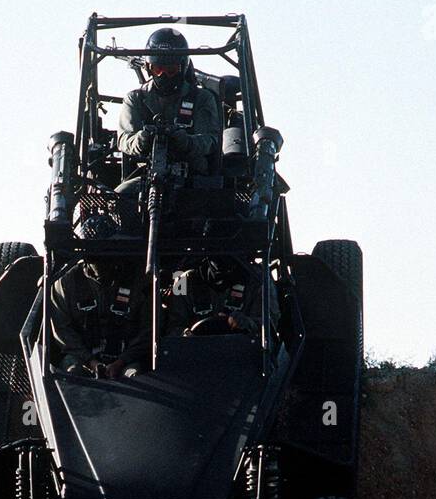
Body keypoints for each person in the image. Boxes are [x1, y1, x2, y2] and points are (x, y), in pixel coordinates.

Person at [116, 28, 221, 198]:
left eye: (170, 70)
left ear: (183, 68)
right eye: (158, 69)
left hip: (192, 180)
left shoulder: (201, 98)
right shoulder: (135, 99)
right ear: (149, 68)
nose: (163, 75)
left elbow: (210, 140)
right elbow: (124, 139)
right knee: (118, 198)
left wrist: (185, 142)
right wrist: (142, 139)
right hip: (144, 178)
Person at [49, 217, 151, 377]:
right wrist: (91, 362)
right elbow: (63, 332)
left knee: (135, 375)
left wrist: (121, 362)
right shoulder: (65, 283)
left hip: (126, 360)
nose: (102, 261)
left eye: (106, 253)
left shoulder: (137, 282)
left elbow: (148, 330)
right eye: (95, 255)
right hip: (81, 359)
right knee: (72, 373)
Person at [166, 255, 279, 339]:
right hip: (193, 359)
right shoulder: (182, 280)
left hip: (245, 356)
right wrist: (186, 335)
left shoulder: (258, 279)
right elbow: (172, 328)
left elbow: (271, 327)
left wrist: (246, 323)